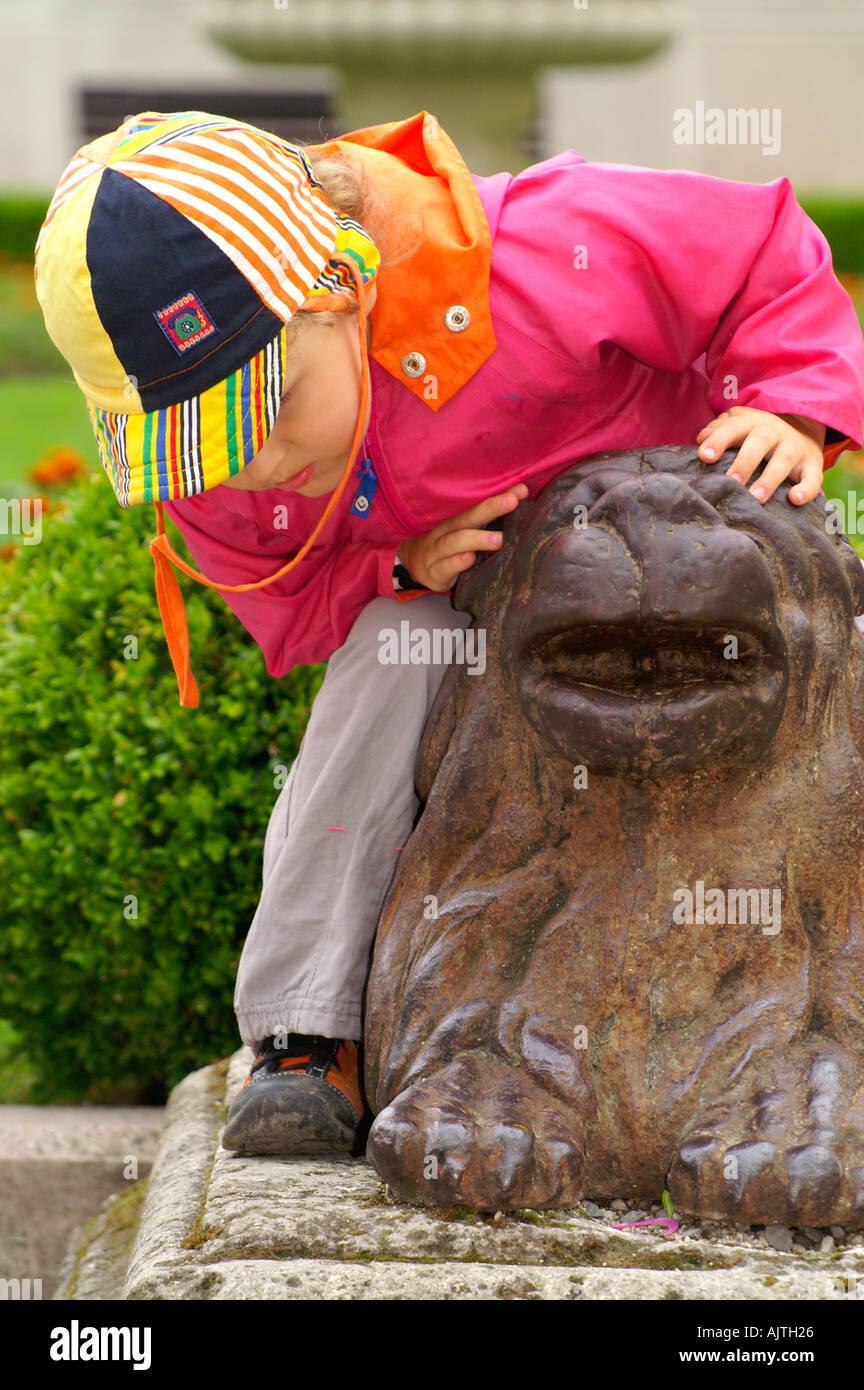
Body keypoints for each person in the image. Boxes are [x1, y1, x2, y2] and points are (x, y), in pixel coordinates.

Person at [34, 108, 864, 1156]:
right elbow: (276, 593)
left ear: (345, 287)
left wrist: (789, 403)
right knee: (386, 654)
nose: (257, 462)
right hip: (474, 601)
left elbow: (758, 251)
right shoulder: (227, 477)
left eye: (274, 404)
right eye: (205, 445)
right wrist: (391, 567)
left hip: (686, 567)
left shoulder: (539, 254)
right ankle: (305, 1028)